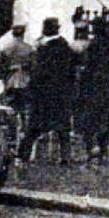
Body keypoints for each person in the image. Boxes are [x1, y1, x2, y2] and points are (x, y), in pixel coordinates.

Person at [75, 16, 109, 162]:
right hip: (108, 85)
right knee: (105, 116)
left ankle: (90, 147)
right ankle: (103, 147)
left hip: (92, 85)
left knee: (90, 116)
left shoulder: (92, 45)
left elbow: (86, 66)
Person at [27, 16, 77, 165]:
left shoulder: (43, 49)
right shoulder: (66, 47)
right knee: (63, 129)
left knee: (34, 128)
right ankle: (65, 157)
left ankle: (22, 156)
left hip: (43, 95)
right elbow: (72, 73)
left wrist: (32, 90)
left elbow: (37, 73)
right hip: (61, 95)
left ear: (46, 29)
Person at [0, 21, 33, 157]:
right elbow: (34, 68)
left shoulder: (6, 48)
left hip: (10, 84)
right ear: (23, 33)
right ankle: (22, 146)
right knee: (25, 114)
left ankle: (10, 143)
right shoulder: (29, 49)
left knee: (10, 112)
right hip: (26, 84)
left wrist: (1, 78)